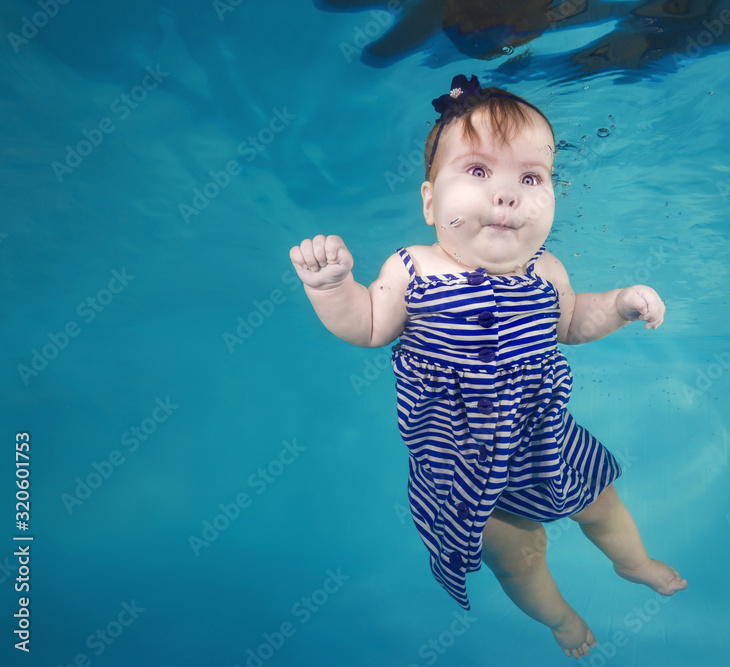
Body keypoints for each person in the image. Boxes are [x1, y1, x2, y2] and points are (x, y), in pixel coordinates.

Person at [289, 74, 686, 659]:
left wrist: (621, 304)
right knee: (519, 556)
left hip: (545, 440)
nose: (506, 195)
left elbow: (572, 323)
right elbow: (368, 327)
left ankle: (633, 562)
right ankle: (559, 618)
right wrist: (331, 288)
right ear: (430, 201)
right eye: (477, 171)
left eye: (530, 178)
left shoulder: (547, 270)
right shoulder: (413, 269)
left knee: (601, 502)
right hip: (461, 462)